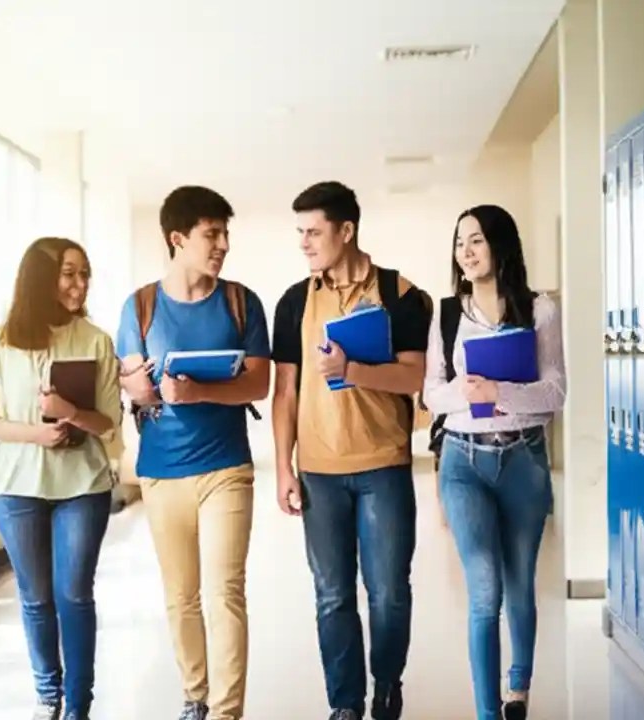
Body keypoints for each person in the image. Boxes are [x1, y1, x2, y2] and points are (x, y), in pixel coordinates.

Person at [270, 181, 431, 720]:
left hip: (384, 465)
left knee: (387, 591)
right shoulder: (294, 301)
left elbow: (415, 374)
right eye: (300, 233)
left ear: (347, 230)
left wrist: (352, 371)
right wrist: (282, 469)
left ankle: (387, 685)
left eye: (313, 232)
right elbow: (285, 391)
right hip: (318, 471)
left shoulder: (399, 293)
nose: (305, 243)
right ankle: (345, 704)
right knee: (332, 595)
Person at [115, 185, 271, 720]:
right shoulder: (139, 307)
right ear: (178, 239)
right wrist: (137, 387)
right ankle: (195, 698)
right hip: (161, 471)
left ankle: (227, 712)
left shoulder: (240, 302)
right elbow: (130, 383)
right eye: (213, 234)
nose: (224, 243)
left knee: (225, 591)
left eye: (226, 233)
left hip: (226, 467)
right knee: (180, 596)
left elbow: (258, 383)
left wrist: (200, 391)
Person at [422, 205, 565, 720]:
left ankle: (518, 692)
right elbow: (430, 396)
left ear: (501, 246)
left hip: (524, 459)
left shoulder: (540, 310)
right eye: (460, 242)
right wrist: (464, 391)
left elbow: (555, 392)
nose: (466, 251)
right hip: (464, 460)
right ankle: (487, 712)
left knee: (520, 583)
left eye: (477, 240)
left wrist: (500, 390)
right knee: (484, 589)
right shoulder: (447, 313)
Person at [0, 237, 122, 720]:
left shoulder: (96, 340)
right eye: (69, 274)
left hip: (83, 487)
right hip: (16, 489)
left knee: (73, 594)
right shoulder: (1, 341)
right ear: (42, 278)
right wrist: (38, 433)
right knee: (35, 598)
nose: (80, 284)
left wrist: (71, 413)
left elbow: (109, 424)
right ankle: (47, 695)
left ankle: (78, 705)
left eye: (84, 274)